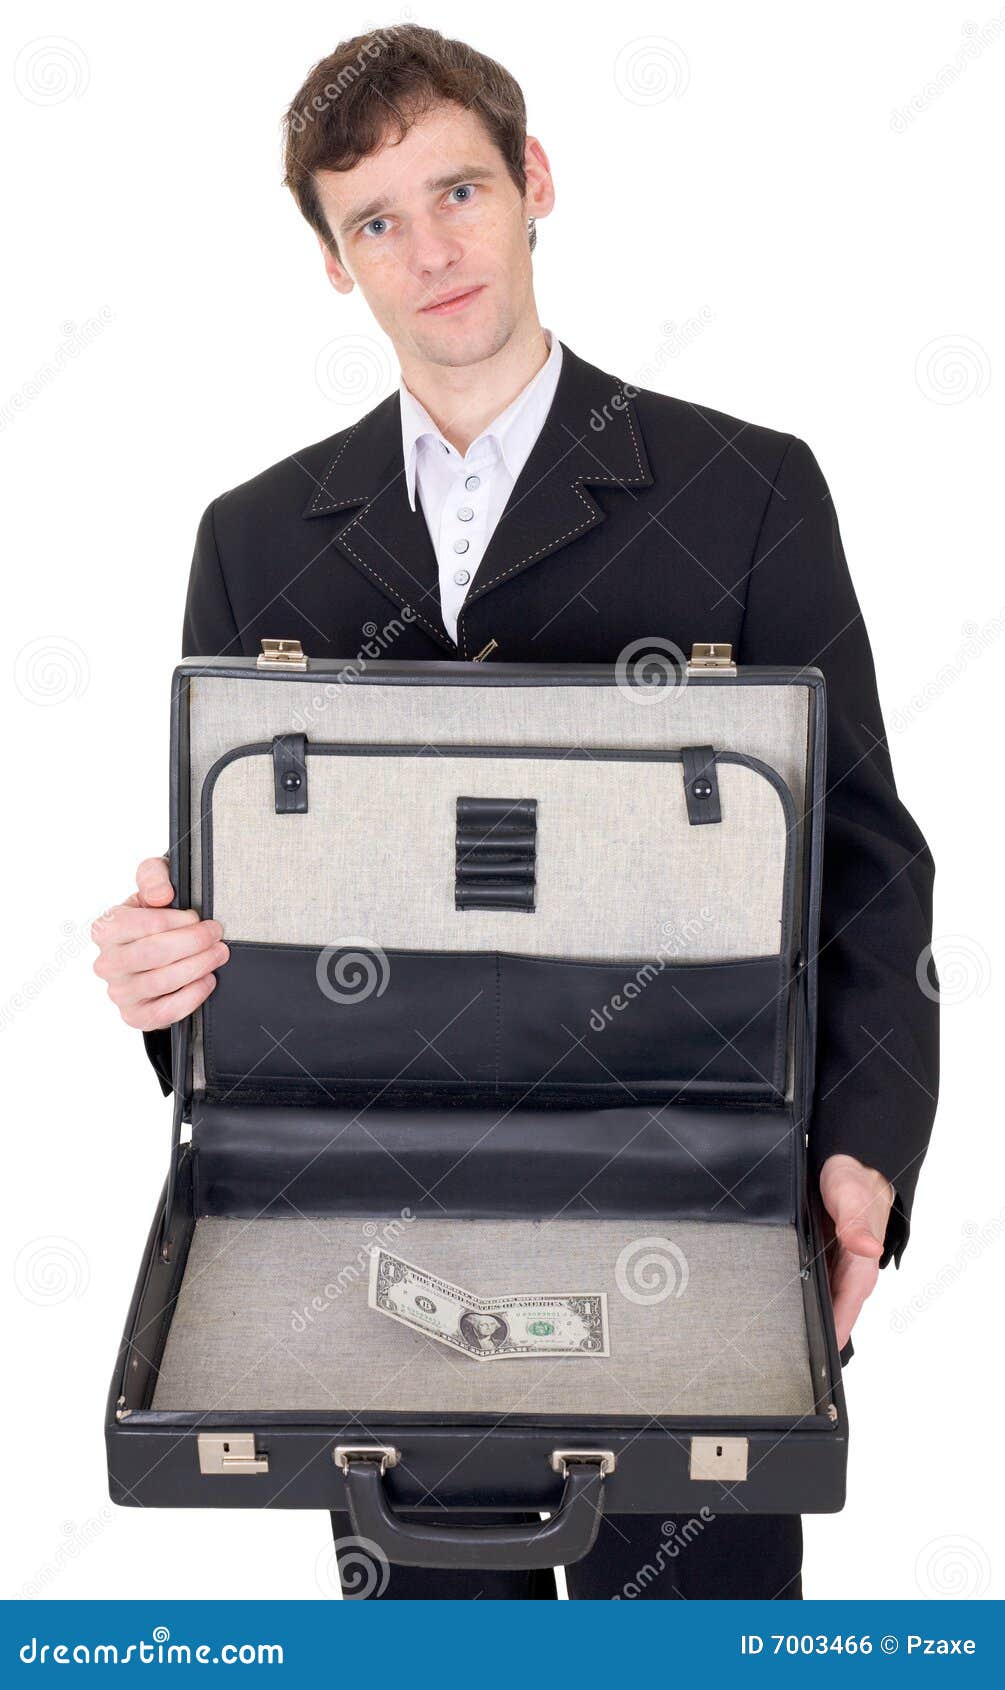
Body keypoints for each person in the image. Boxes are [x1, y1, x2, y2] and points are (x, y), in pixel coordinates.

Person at [90, 25, 938, 1600]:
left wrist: (863, 1147)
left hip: (704, 1188)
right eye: (375, 220)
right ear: (337, 265)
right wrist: (161, 981)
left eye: (458, 188)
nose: (431, 248)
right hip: (366, 1204)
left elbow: (869, 864)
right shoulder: (254, 536)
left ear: (533, 180)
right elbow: (230, 917)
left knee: (695, 1647)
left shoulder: (745, 490)